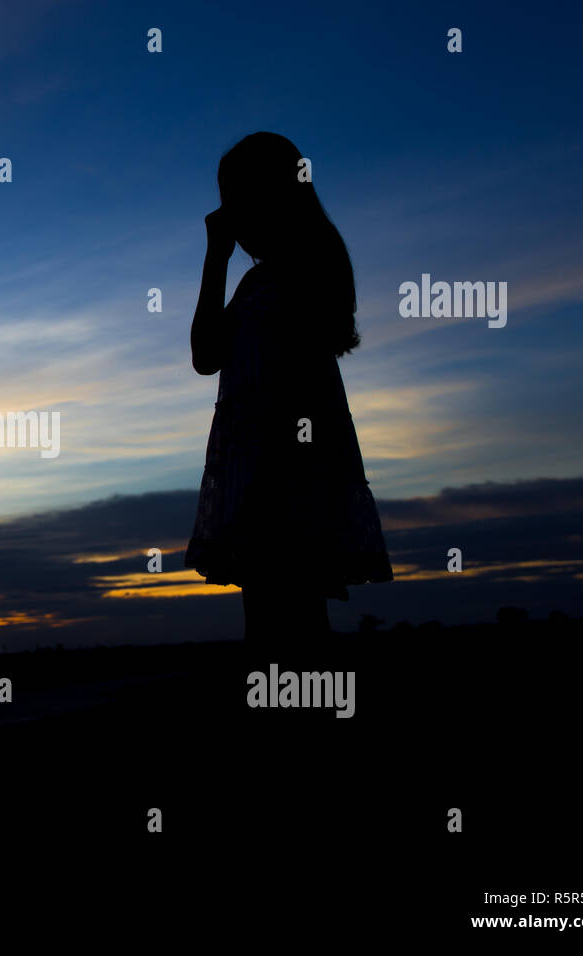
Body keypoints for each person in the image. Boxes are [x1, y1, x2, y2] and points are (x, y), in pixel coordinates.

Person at [185, 132, 393, 641]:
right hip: (262, 475)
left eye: (234, 194)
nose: (226, 209)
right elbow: (206, 356)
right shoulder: (258, 283)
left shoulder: (302, 275)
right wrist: (216, 259)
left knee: (285, 624)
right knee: (276, 622)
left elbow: (296, 389)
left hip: (288, 475)